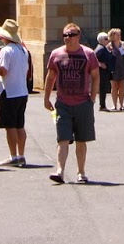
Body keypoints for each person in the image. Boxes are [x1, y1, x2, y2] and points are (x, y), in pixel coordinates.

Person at [43, 23, 99, 185]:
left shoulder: (88, 54)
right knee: (63, 139)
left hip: (83, 103)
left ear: (78, 36)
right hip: (63, 103)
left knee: (81, 140)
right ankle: (60, 171)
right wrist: (46, 98)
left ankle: (81, 172)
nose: (68, 38)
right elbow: (50, 76)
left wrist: (92, 98)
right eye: (65, 35)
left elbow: (95, 76)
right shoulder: (56, 54)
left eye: (71, 34)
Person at [0, 19, 31, 166]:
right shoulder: (22, 49)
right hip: (22, 91)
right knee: (20, 124)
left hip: (9, 92)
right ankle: (21, 154)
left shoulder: (6, 50)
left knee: (10, 126)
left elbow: (2, 71)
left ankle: (13, 156)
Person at [107, 27, 124, 111]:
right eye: (116, 35)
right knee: (114, 87)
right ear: (112, 36)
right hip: (113, 69)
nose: (118, 36)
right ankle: (114, 105)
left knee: (122, 87)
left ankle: (121, 104)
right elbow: (106, 57)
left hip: (123, 68)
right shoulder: (109, 46)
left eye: (119, 34)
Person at [94, 32, 115, 111]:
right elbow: (92, 56)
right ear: (101, 40)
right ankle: (102, 106)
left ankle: (103, 105)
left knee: (104, 88)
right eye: (106, 39)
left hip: (106, 71)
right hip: (102, 72)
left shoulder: (104, 48)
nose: (108, 40)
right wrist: (99, 64)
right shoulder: (100, 48)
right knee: (102, 88)